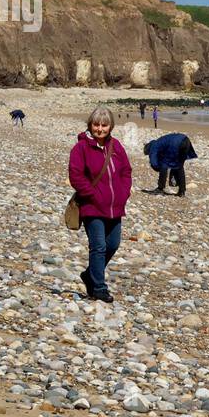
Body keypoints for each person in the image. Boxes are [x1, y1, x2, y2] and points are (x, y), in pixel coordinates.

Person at [68, 107, 132, 302]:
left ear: (110, 126)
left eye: (104, 125)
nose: (100, 128)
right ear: (90, 124)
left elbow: (126, 171)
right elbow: (76, 176)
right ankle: (98, 287)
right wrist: (93, 195)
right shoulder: (81, 148)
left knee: (113, 244)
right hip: (92, 207)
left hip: (115, 207)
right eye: (96, 124)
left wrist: (124, 193)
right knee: (98, 246)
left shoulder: (117, 146)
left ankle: (89, 274)